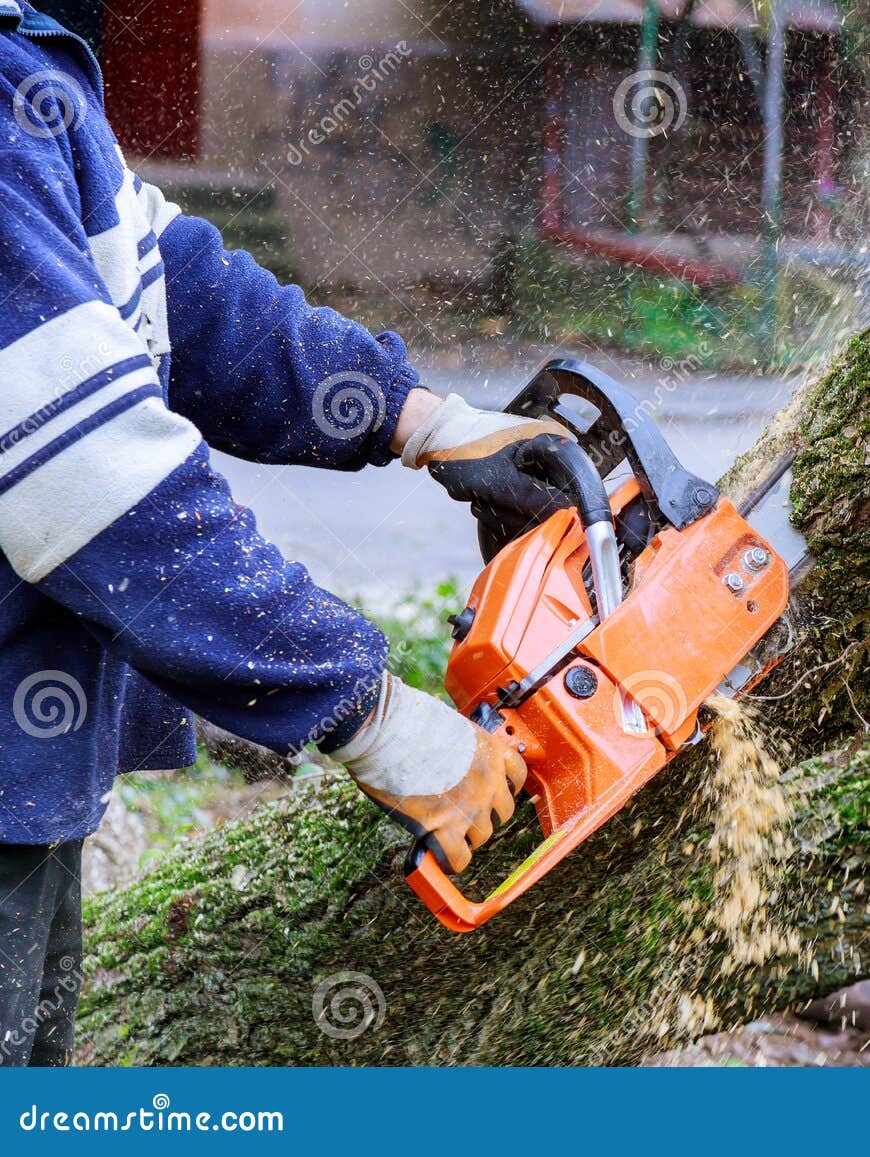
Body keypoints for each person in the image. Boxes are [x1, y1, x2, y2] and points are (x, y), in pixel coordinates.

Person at [0, 2, 561, 1065]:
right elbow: (94, 483)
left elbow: (162, 281)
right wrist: (370, 715)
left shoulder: (29, 60)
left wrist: (416, 417)